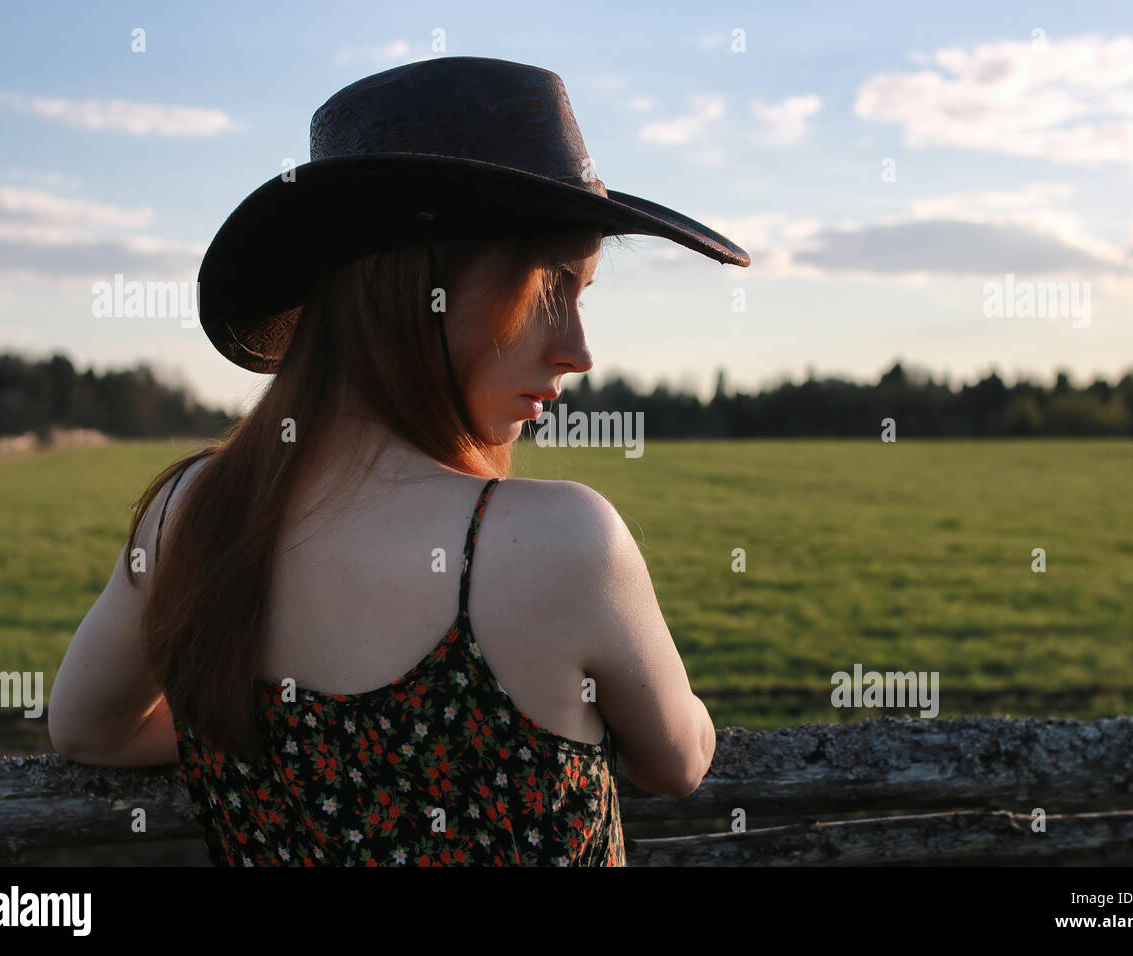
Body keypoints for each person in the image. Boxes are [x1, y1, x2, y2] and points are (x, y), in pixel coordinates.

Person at [48, 56, 750, 866]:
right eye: (552, 285)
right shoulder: (562, 543)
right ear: (425, 288)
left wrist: (276, 735)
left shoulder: (194, 512)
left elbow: (87, 729)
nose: (579, 350)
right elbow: (680, 760)